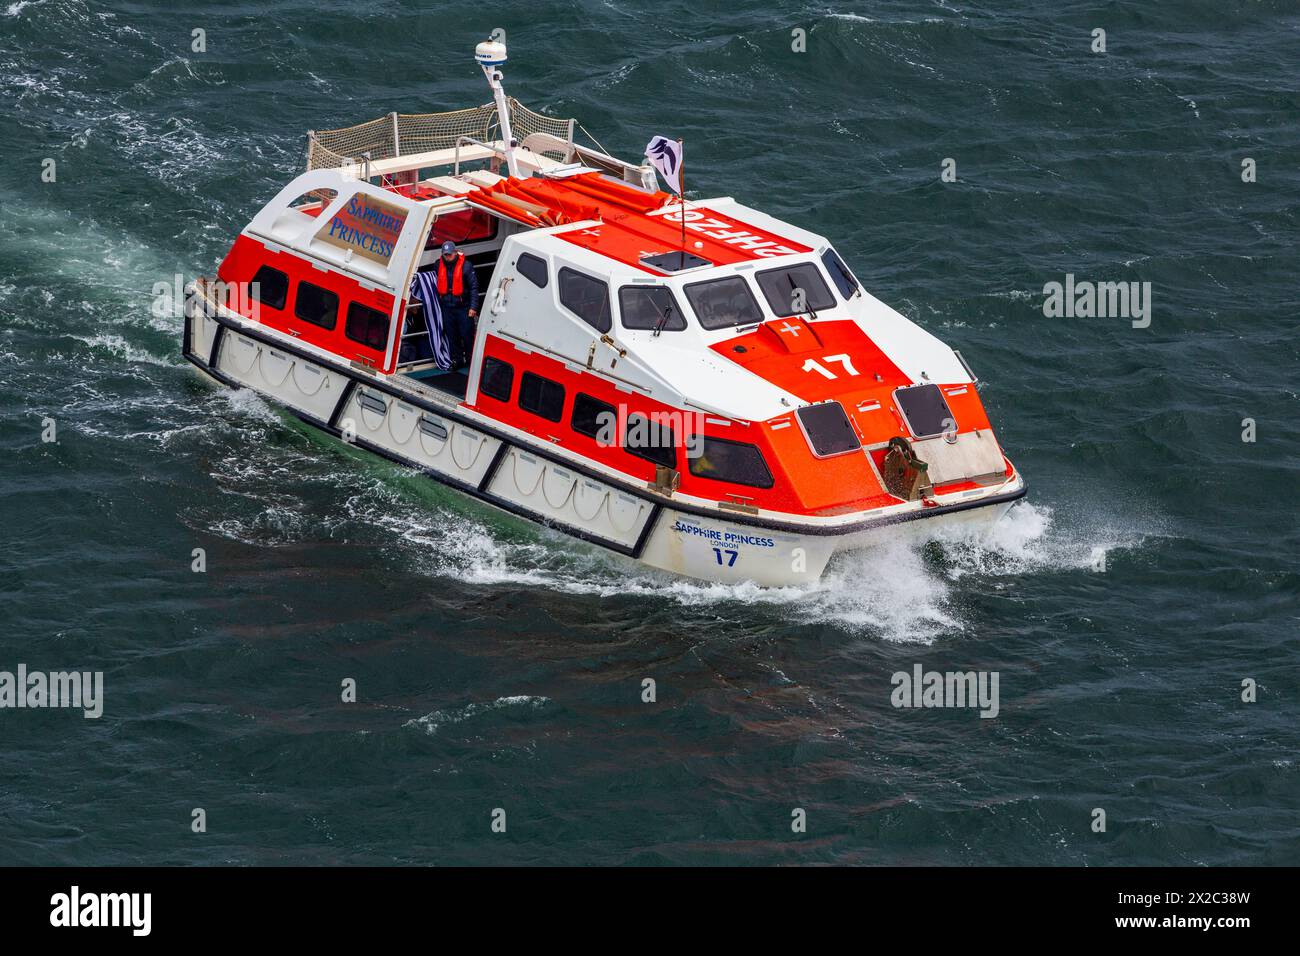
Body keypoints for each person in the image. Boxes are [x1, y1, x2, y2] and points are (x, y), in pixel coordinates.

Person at [435, 240, 478, 370]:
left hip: (463, 307)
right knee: (451, 335)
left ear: (455, 252)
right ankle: (457, 360)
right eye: (445, 255)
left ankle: (471, 360)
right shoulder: (438, 265)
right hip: (447, 307)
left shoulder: (466, 266)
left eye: (449, 254)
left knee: (466, 334)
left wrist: (473, 307)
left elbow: (474, 287)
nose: (447, 257)